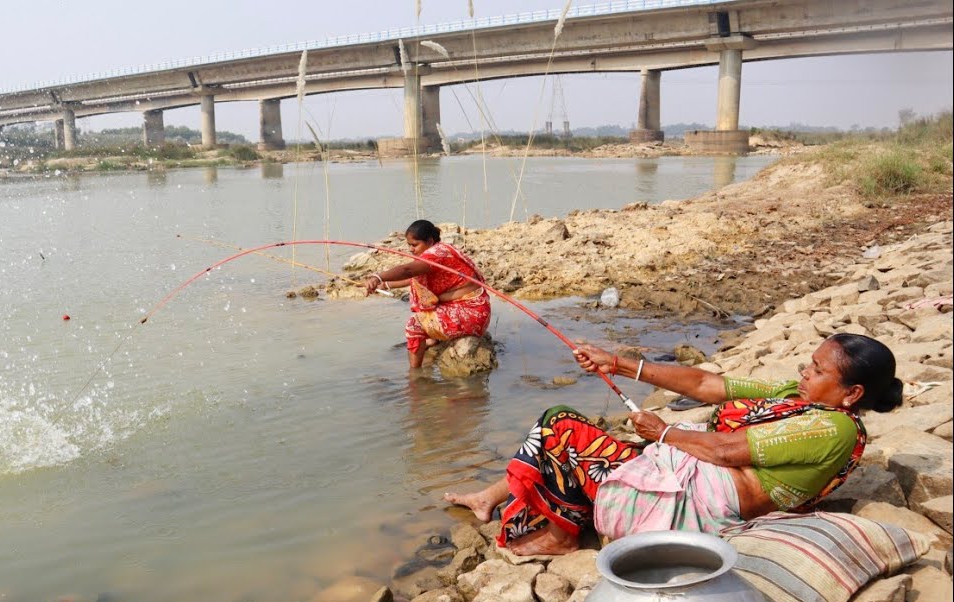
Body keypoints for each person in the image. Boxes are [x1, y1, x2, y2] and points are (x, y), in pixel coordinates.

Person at [444, 333, 902, 556]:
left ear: (852, 393)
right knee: (575, 436)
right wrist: (617, 363)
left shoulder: (834, 428)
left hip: (701, 502)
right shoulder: (794, 398)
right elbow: (706, 384)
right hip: (696, 471)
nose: (804, 372)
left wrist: (664, 433)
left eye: (818, 370)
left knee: (559, 426)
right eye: (809, 363)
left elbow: (726, 452)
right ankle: (490, 497)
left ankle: (563, 537)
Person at [363, 220, 492, 369]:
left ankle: (415, 374)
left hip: (472, 314)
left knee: (414, 325)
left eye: (414, 245)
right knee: (427, 306)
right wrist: (385, 284)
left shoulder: (436, 255)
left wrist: (378, 277)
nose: (411, 249)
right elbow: (414, 277)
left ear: (430, 241)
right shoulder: (440, 250)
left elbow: (407, 271)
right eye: (409, 245)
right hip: (475, 307)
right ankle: (432, 338)